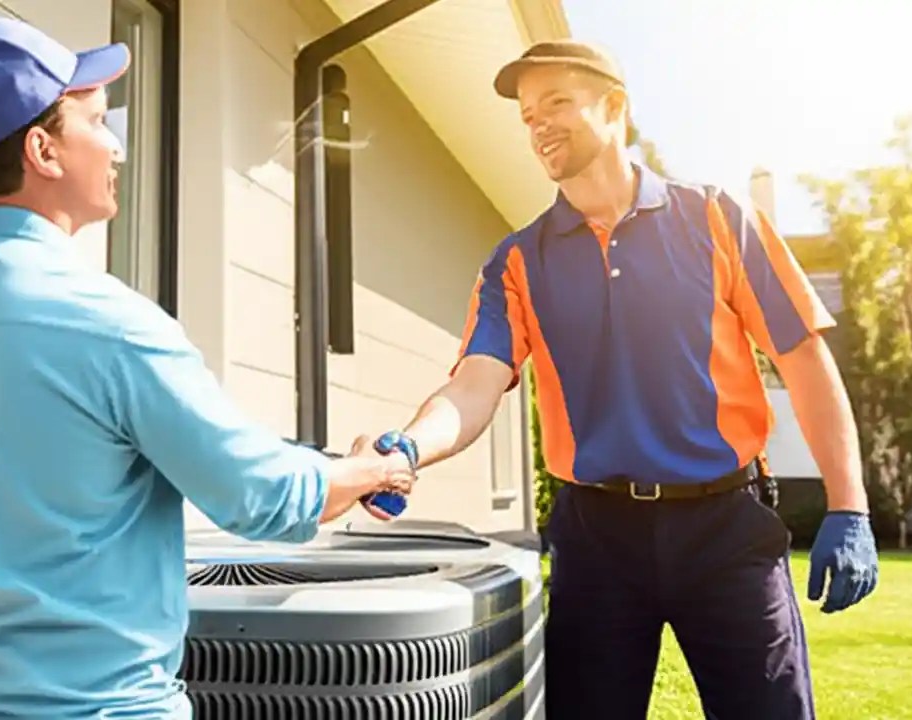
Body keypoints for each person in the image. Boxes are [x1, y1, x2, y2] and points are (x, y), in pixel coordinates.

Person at [0, 17, 414, 720]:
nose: (117, 145)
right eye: (99, 121)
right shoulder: (108, 324)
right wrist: (373, 469)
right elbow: (262, 496)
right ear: (42, 149)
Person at [351, 40, 878, 719]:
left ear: (616, 106)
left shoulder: (717, 218)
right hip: (597, 539)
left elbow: (804, 359)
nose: (539, 125)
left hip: (726, 527)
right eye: (528, 115)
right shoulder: (516, 262)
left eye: (557, 104)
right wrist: (411, 447)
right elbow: (475, 383)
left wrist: (851, 506)